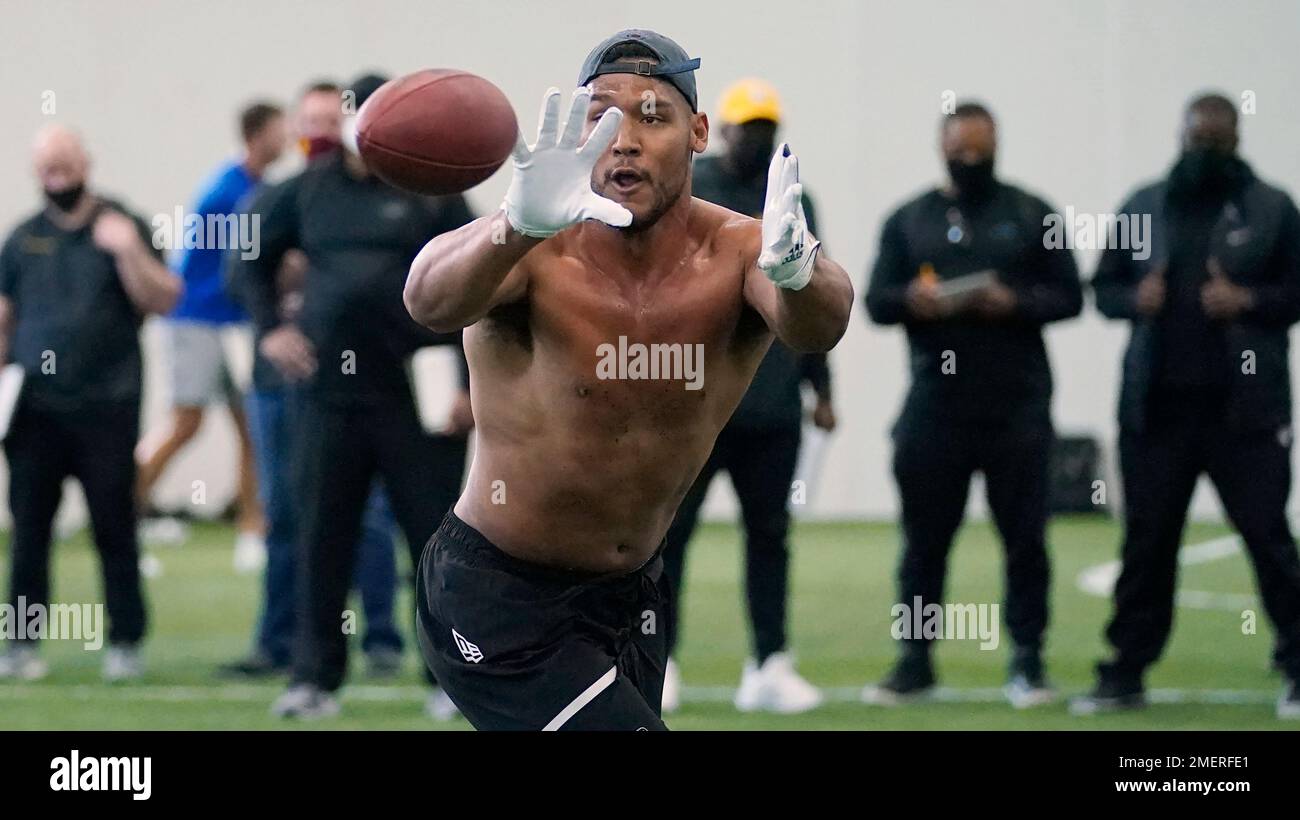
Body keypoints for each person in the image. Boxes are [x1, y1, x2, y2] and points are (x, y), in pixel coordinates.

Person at [406, 29, 853, 731]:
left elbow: (817, 326)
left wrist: (801, 270)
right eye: (603, 117)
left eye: (653, 116)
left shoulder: (738, 251)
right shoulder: (532, 246)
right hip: (497, 593)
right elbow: (427, 300)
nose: (624, 140)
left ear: (699, 131)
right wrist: (512, 226)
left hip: (632, 592)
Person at [235, 74, 475, 719]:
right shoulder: (307, 191)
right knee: (322, 535)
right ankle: (313, 677)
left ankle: (446, 678)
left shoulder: (433, 192)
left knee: (437, 542)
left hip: (418, 395)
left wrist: (470, 386)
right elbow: (247, 258)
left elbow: (483, 282)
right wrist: (271, 332)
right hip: (329, 395)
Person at [1077, 93, 1300, 720]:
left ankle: (1295, 663)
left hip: (1246, 413)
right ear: (1180, 136)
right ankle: (1124, 672)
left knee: (1267, 537)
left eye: (1215, 139)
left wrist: (1248, 300)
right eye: (1194, 137)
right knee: (1147, 545)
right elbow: (1103, 286)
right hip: (1157, 412)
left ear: (1236, 141)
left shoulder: (1272, 207)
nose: (1202, 148)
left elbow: (1295, 290)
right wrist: (1134, 297)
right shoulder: (1146, 204)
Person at [864, 102, 1082, 708]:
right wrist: (914, 299)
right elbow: (876, 302)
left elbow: (1072, 295)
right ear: (941, 148)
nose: (969, 159)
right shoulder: (910, 220)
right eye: (959, 149)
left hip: (1017, 408)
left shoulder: (1031, 212)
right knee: (924, 543)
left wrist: (1012, 302)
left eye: (979, 149)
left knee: (1026, 543)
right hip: (934, 409)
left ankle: (1028, 662)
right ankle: (915, 661)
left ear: (997, 146)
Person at [221, 80, 414, 682]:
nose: (323, 129)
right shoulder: (295, 192)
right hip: (309, 389)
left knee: (404, 529)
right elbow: (243, 262)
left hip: (398, 389)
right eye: (314, 119)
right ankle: (295, 657)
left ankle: (406, 651)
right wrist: (271, 328)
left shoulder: (417, 190)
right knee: (305, 524)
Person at [659, 77, 834, 714]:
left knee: (769, 535)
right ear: (722, 131)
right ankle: (660, 657)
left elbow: (809, 292)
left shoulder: (790, 196)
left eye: (767, 129)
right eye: (748, 128)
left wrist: (821, 387)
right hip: (697, 404)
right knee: (668, 536)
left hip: (772, 403)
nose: (757, 140)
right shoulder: (692, 192)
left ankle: (769, 662)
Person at [0, 125, 182, 681]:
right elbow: (5, 319)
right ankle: (20, 645)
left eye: (66, 164)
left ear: (86, 163)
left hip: (108, 406)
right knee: (29, 530)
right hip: (34, 412)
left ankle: (125, 640)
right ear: (37, 173)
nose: (58, 176)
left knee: (114, 525)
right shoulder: (22, 239)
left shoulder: (123, 225)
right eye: (47, 168)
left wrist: (127, 251)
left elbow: (164, 298)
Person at [134, 101, 285, 573]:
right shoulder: (228, 192)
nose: (288, 139)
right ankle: (123, 518)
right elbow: (237, 269)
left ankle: (252, 530)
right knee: (185, 423)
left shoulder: (261, 189)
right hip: (195, 320)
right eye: (281, 131)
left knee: (250, 427)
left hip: (233, 325)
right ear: (257, 135)